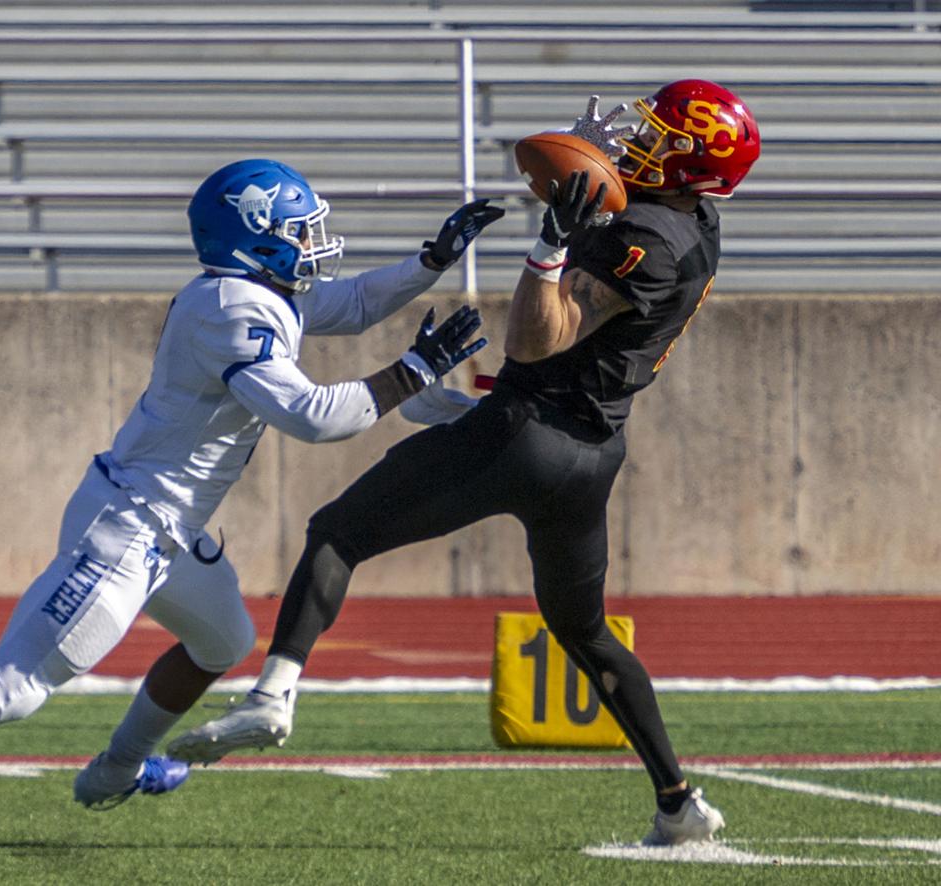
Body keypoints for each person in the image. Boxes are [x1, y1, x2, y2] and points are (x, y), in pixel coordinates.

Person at [0, 157, 502, 856]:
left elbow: (349, 305)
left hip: (170, 527)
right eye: (297, 230)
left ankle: (119, 767)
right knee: (20, 683)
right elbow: (314, 417)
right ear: (253, 236)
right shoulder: (229, 307)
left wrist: (430, 261)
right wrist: (411, 372)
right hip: (130, 529)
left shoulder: (261, 291)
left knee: (221, 641)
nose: (313, 244)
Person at [168, 81, 762, 847]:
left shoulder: (643, 239)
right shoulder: (698, 219)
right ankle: (677, 801)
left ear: (690, 169)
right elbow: (609, 203)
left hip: (525, 434)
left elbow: (537, 339)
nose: (635, 143)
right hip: (591, 450)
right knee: (583, 632)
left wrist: (549, 246)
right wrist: (588, 165)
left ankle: (273, 693)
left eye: (657, 139)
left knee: (339, 533)